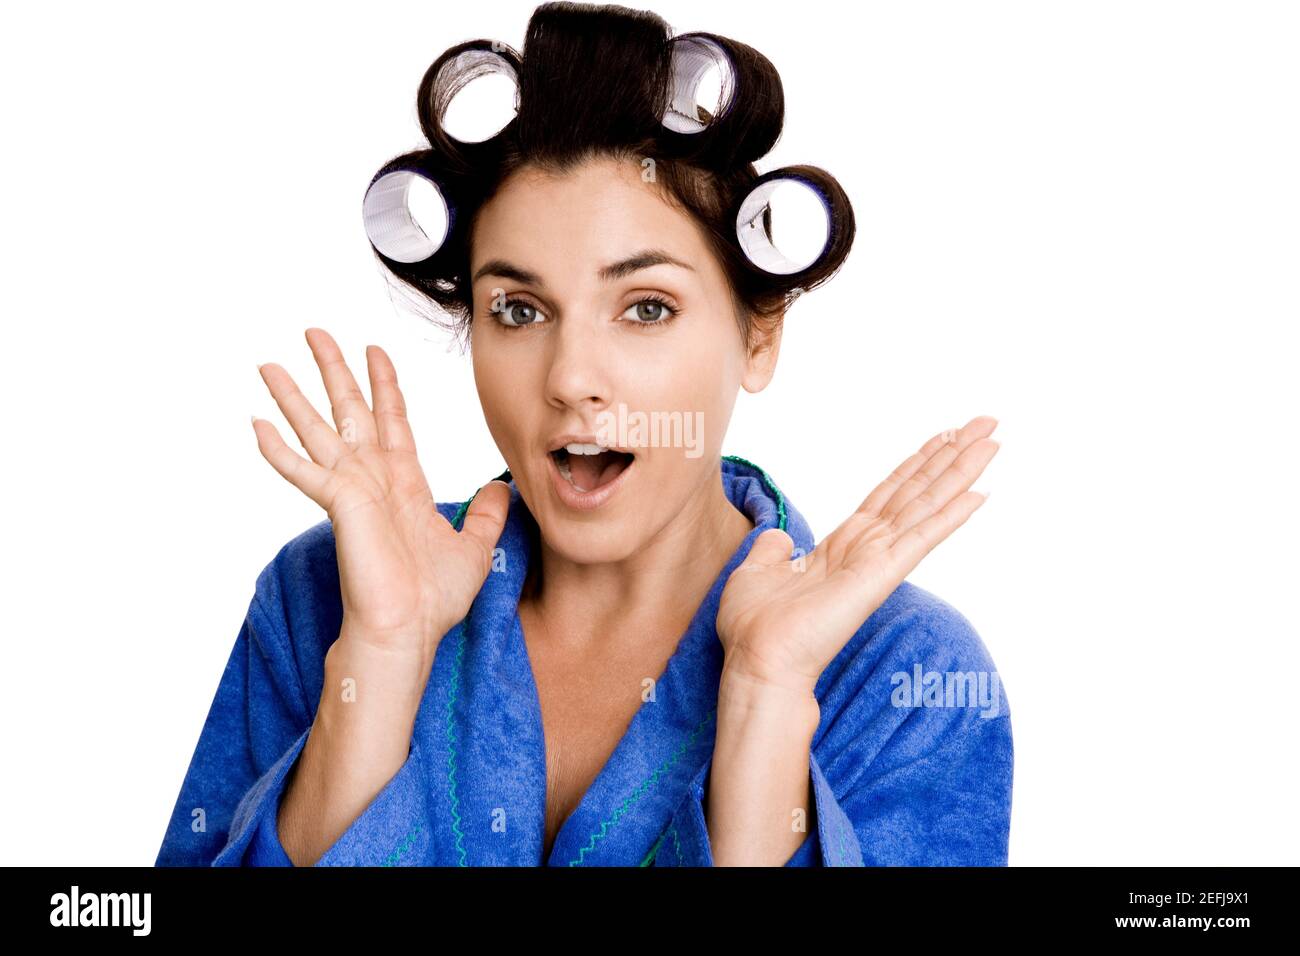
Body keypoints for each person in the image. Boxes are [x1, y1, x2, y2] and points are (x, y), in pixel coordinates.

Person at [155, 1, 1011, 867]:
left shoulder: (910, 679)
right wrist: (380, 660)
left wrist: (763, 701)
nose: (569, 378)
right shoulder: (325, 595)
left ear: (760, 334)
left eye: (645, 309)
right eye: (519, 310)